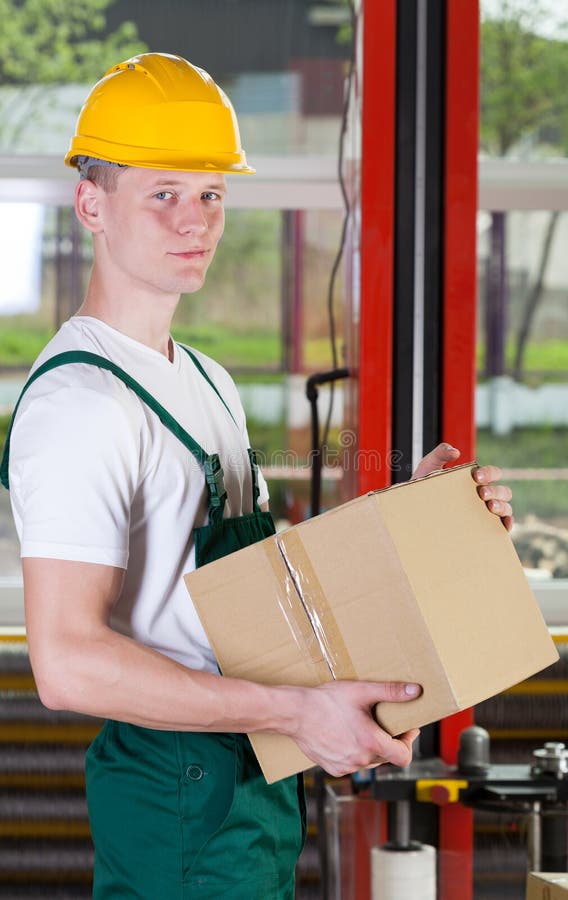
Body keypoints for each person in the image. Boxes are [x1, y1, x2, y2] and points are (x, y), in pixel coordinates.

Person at [1, 53, 513, 899]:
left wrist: (415, 521)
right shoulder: (81, 403)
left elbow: (264, 587)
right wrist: (292, 711)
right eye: (163, 194)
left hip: (254, 773)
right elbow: (66, 664)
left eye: (211, 194)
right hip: (178, 787)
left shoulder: (208, 380)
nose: (195, 221)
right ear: (91, 204)